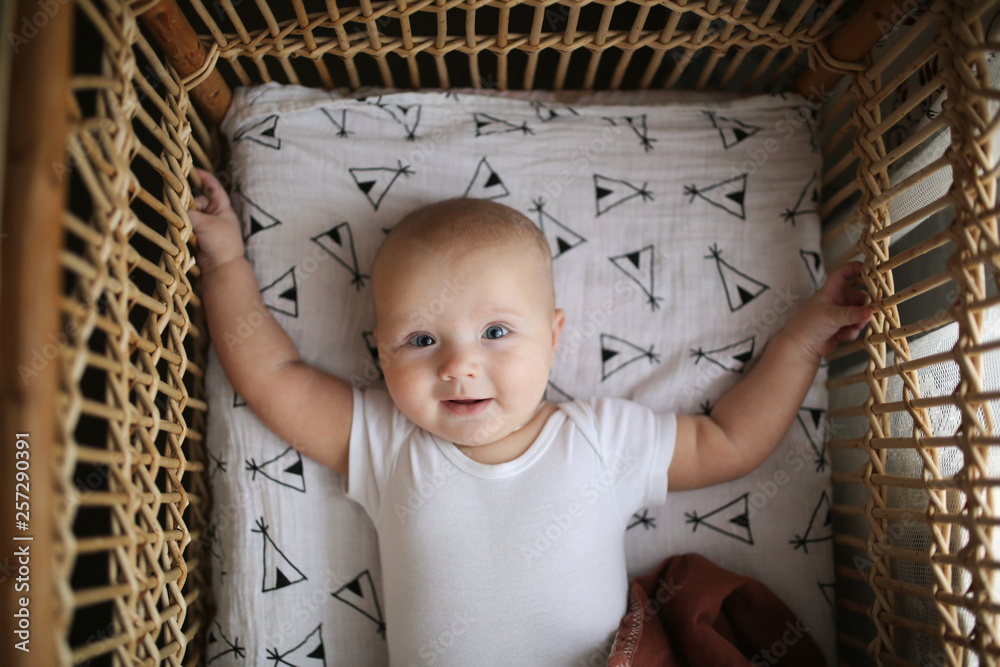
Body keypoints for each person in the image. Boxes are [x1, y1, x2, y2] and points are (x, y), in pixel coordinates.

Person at [188, 166, 871, 665]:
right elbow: (273, 376)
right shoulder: (389, 443)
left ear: (553, 335)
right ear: (380, 352)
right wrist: (224, 261)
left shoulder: (600, 439)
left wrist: (800, 343)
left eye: (495, 332)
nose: (459, 365)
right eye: (421, 339)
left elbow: (731, 439)